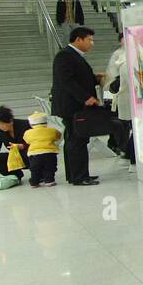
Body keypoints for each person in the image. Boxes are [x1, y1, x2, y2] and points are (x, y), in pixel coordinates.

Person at [50, 26, 102, 186]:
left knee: (74, 139)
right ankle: (79, 177)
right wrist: (86, 97)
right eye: (89, 39)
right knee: (77, 140)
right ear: (78, 39)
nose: (91, 43)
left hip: (75, 105)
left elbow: (78, 78)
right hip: (72, 107)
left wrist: (95, 78)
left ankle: (75, 175)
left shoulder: (75, 56)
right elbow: (67, 81)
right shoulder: (65, 56)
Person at [105, 33, 135, 168]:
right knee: (125, 125)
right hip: (123, 94)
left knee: (128, 125)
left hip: (126, 96)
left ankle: (127, 150)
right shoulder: (119, 55)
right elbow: (113, 74)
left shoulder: (131, 53)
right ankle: (126, 150)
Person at [0, 106, 31, 184]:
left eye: (1, 124)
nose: (0, 127)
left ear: (10, 120)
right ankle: (15, 175)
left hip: (30, 154)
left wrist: (23, 146)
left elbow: (36, 142)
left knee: (33, 153)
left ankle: (39, 173)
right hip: (15, 157)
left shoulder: (25, 125)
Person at [22, 112, 61, 188]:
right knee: (50, 167)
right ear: (46, 122)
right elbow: (58, 136)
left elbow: (26, 140)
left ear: (31, 124)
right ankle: (49, 181)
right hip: (50, 153)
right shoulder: (52, 130)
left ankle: (34, 182)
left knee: (35, 169)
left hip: (34, 154)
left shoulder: (28, 132)